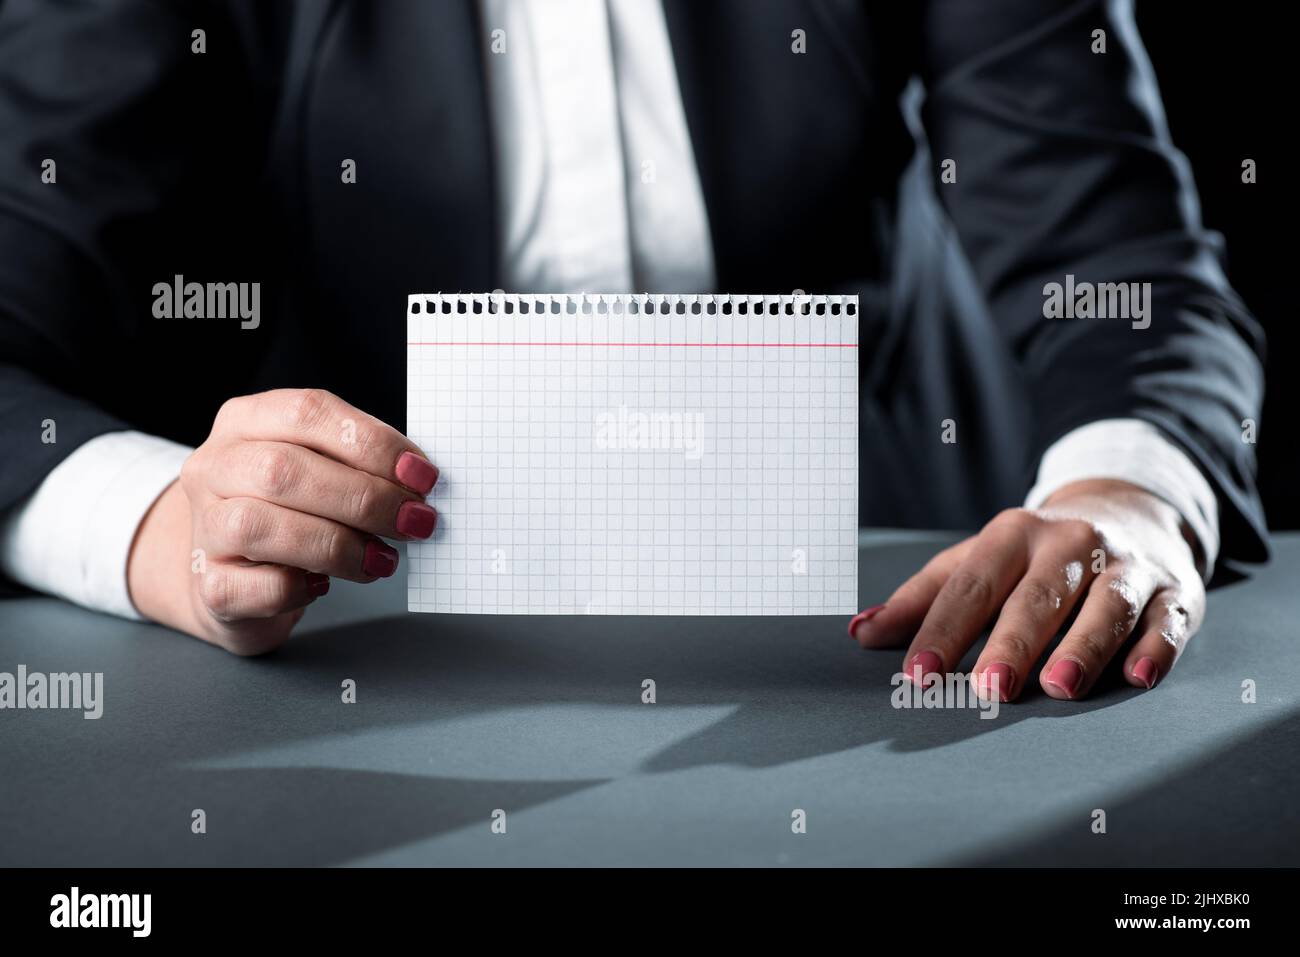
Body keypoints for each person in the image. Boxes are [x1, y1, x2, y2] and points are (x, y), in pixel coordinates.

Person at [0, 0, 1265, 702]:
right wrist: (166, 521)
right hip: (377, 645)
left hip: (907, 625)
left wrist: (1122, 495)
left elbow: (1127, 276)